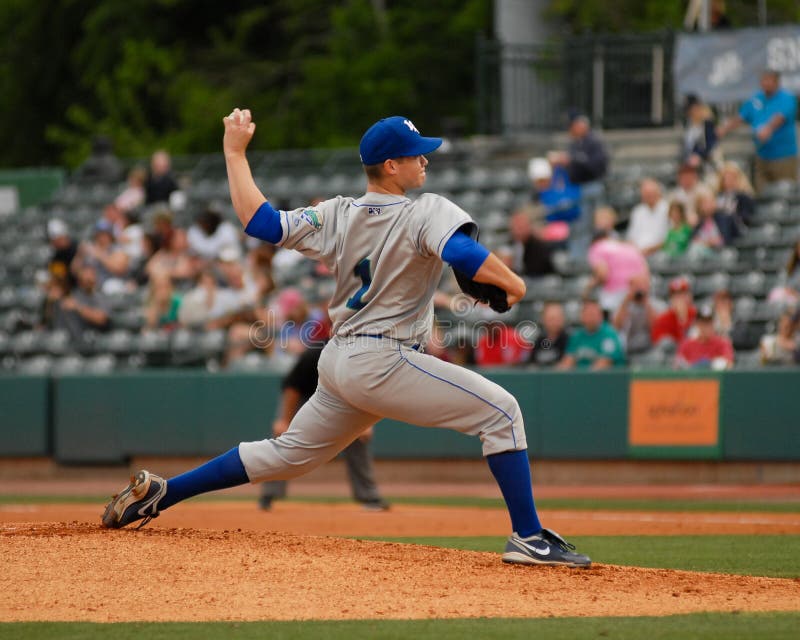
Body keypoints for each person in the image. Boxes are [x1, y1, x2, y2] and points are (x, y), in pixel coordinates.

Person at [101, 110, 591, 568]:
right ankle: (527, 537)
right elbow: (463, 252)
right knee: (502, 412)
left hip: (338, 361)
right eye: (417, 153)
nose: (425, 160)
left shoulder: (336, 212)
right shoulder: (425, 211)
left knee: (288, 455)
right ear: (391, 165)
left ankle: (163, 492)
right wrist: (515, 283)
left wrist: (234, 153)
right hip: (383, 359)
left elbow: (260, 222)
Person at [260, 337, 390, 511]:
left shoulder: (361, 358)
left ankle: (369, 496)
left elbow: (366, 393)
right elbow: (293, 388)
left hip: (341, 401)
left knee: (360, 438)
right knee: (283, 440)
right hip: (304, 399)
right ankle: (269, 494)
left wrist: (366, 424)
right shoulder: (315, 353)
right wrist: (284, 421)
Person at [717, 70, 798, 193]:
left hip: (783, 157)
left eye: (768, 80)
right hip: (762, 156)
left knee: (785, 192)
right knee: (761, 193)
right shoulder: (756, 99)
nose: (764, 83)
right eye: (763, 80)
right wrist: (723, 129)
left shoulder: (787, 98)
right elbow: (741, 116)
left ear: (776, 81)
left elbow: (780, 117)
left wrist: (768, 128)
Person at [548, 113, 609, 258]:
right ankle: (578, 257)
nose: (571, 130)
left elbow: (597, 166)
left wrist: (572, 160)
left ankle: (592, 257)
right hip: (577, 189)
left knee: (594, 226)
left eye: (573, 126)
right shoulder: (575, 144)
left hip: (592, 186)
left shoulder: (593, 142)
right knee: (578, 226)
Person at [586, 230, 649, 313]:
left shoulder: (597, 247)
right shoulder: (628, 246)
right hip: (638, 291)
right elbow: (645, 270)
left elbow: (603, 274)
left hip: (615, 293)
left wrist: (589, 287)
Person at [558, 296, 625, 370]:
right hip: (580, 377)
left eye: (594, 313)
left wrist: (585, 378)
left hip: (605, 379)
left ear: (601, 316)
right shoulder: (576, 336)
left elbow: (604, 363)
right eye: (588, 313)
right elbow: (568, 360)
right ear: (582, 316)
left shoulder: (609, 334)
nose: (591, 317)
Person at [50, 265, 110, 341]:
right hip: (73, 338)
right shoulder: (73, 295)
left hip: (97, 337)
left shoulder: (101, 295)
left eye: (90, 278)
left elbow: (102, 319)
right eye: (84, 278)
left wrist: (78, 307)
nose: (88, 280)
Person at [612, 274, 662, 355]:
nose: (639, 289)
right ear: (630, 287)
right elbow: (616, 327)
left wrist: (646, 303)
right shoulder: (623, 305)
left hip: (650, 350)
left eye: (642, 286)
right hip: (628, 349)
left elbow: (655, 327)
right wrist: (626, 302)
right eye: (636, 286)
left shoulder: (656, 305)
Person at [688, 188, 738, 258]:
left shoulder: (724, 218)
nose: (708, 205)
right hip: (705, 253)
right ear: (699, 206)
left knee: (728, 254)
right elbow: (694, 240)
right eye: (704, 203)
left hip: (721, 251)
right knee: (694, 249)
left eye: (710, 202)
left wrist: (709, 242)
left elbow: (725, 239)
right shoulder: (699, 222)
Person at [507, 207, 555, 278]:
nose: (518, 230)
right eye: (515, 226)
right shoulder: (509, 244)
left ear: (528, 226)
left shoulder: (540, 247)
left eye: (521, 226)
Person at [625, 179, 669, 255]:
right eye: (646, 193)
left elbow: (670, 238)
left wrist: (650, 250)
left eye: (651, 193)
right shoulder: (637, 211)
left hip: (660, 253)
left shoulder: (668, 209)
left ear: (659, 193)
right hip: (637, 253)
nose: (649, 196)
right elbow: (631, 237)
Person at [651, 277, 696, 347]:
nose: (680, 299)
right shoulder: (663, 319)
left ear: (689, 296)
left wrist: (683, 319)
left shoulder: (696, 315)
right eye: (676, 295)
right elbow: (659, 344)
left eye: (683, 294)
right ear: (671, 299)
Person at [681, 95, 719, 172]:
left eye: (696, 108)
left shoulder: (708, 125)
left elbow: (710, 143)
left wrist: (698, 155)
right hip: (690, 164)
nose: (692, 111)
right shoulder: (687, 126)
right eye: (690, 109)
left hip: (706, 164)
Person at [529, 301, 569, 367]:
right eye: (551, 319)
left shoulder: (569, 340)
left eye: (557, 318)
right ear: (543, 319)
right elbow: (531, 364)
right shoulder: (539, 341)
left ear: (563, 319)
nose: (554, 322)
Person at [716, 162, 755, 230]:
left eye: (731, 178)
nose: (728, 181)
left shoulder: (745, 198)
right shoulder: (718, 196)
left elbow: (747, 218)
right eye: (725, 178)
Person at [46, 219, 78, 287]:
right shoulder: (56, 258)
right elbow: (60, 279)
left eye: (60, 238)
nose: (59, 242)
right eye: (56, 240)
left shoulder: (79, 248)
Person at [768, 240, 800, 305]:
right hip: (791, 297)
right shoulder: (792, 266)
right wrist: (789, 291)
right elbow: (784, 284)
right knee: (777, 293)